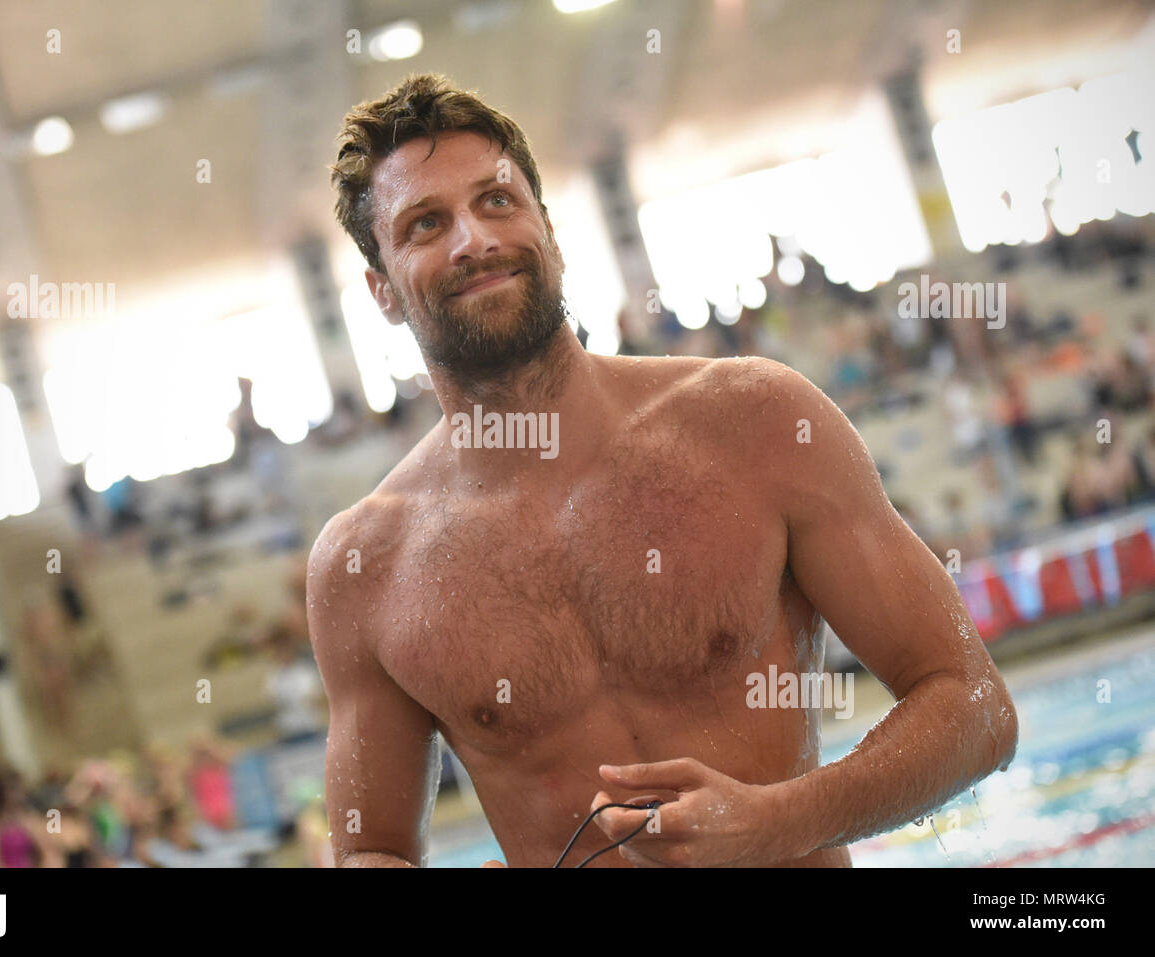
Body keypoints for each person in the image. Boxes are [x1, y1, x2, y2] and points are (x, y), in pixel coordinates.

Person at [309, 73, 1018, 868]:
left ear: (549, 226)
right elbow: (371, 849)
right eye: (426, 224)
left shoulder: (755, 422)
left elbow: (975, 704)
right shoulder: (366, 565)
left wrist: (783, 818)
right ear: (381, 291)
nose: (473, 240)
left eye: (497, 201)